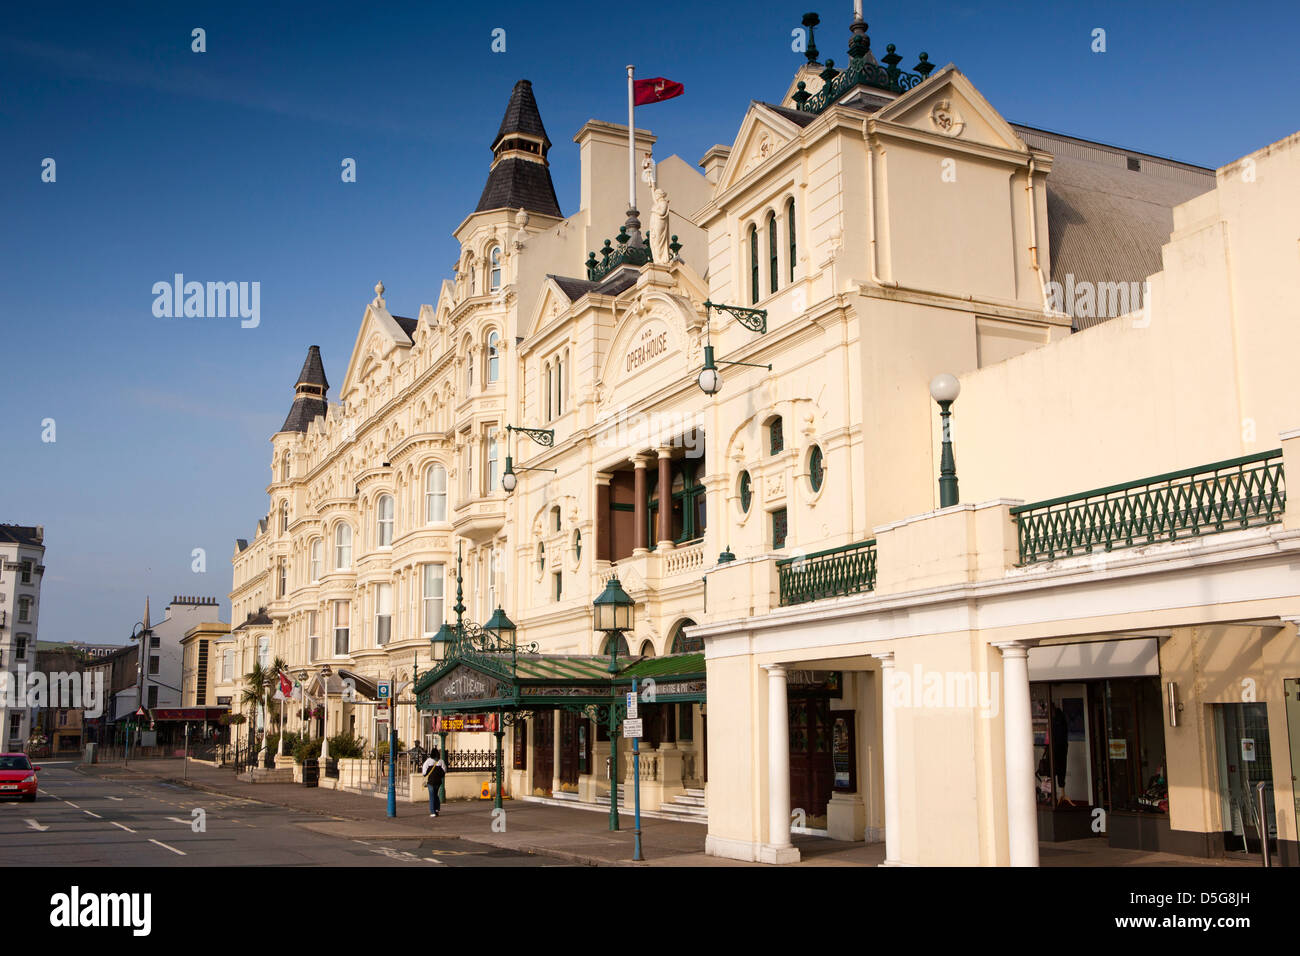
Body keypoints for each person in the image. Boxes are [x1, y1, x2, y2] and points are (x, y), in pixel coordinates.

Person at [421, 748, 447, 817]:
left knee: (432, 796)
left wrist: (425, 775)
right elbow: (444, 770)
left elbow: (424, 771)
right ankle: (437, 809)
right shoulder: (441, 761)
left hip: (430, 781)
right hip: (438, 781)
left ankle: (432, 812)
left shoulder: (428, 761)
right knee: (436, 795)